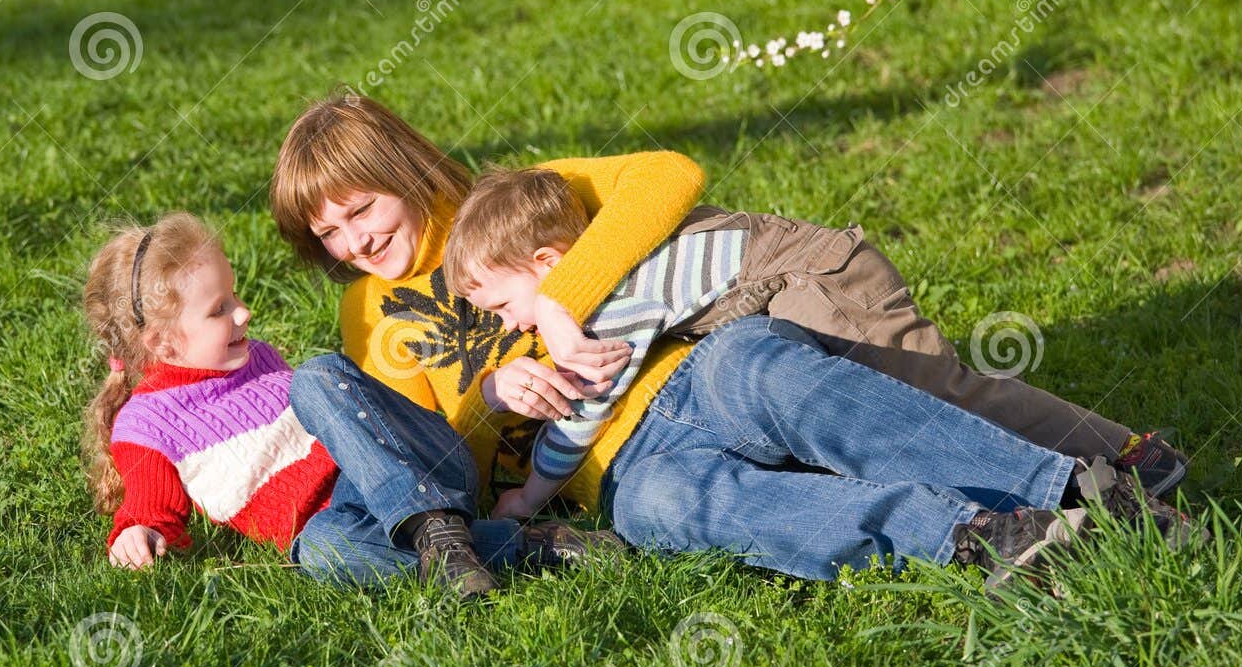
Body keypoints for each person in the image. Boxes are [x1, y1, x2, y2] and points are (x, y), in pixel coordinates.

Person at [268, 94, 1184, 587]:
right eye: (328, 239)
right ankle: (983, 537)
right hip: (613, 472)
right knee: (664, 511)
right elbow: (439, 464)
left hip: (691, 376)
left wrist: (559, 305)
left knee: (778, 372)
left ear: (403, 168)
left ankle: (1081, 484)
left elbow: (667, 176)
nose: (352, 245)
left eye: (359, 212)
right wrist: (499, 398)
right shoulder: (365, 319)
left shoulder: (513, 195)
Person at [441, 165, 1187, 519]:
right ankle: (1072, 478)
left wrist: (531, 495)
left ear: (549, 265)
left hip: (821, 282)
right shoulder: (600, 275)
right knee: (905, 407)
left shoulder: (614, 300)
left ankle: (1124, 456)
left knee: (937, 392)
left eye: (504, 303)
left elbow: (586, 405)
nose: (509, 324)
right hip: (796, 286)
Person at [80, 211, 615, 599]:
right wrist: (138, 531)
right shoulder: (148, 423)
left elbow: (351, 410)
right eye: (220, 309)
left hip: (413, 461)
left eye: (235, 295)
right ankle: (517, 545)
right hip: (347, 518)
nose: (244, 314)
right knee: (322, 551)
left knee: (315, 378)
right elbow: (152, 506)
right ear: (162, 344)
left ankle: (434, 526)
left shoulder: (259, 358)